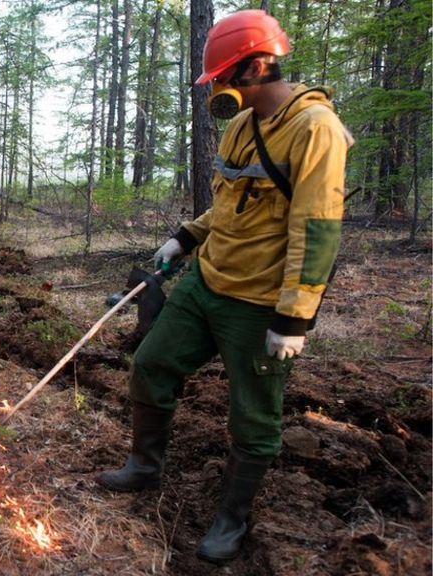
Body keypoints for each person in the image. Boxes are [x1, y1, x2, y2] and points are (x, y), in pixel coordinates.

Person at [96, 10, 352, 563]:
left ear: (259, 65)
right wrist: (184, 239)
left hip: (260, 302)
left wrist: (294, 317)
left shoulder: (316, 129)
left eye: (227, 78)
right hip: (206, 282)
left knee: (253, 416)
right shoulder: (239, 127)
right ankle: (144, 466)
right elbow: (230, 204)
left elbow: (319, 226)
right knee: (151, 364)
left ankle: (232, 519)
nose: (221, 90)